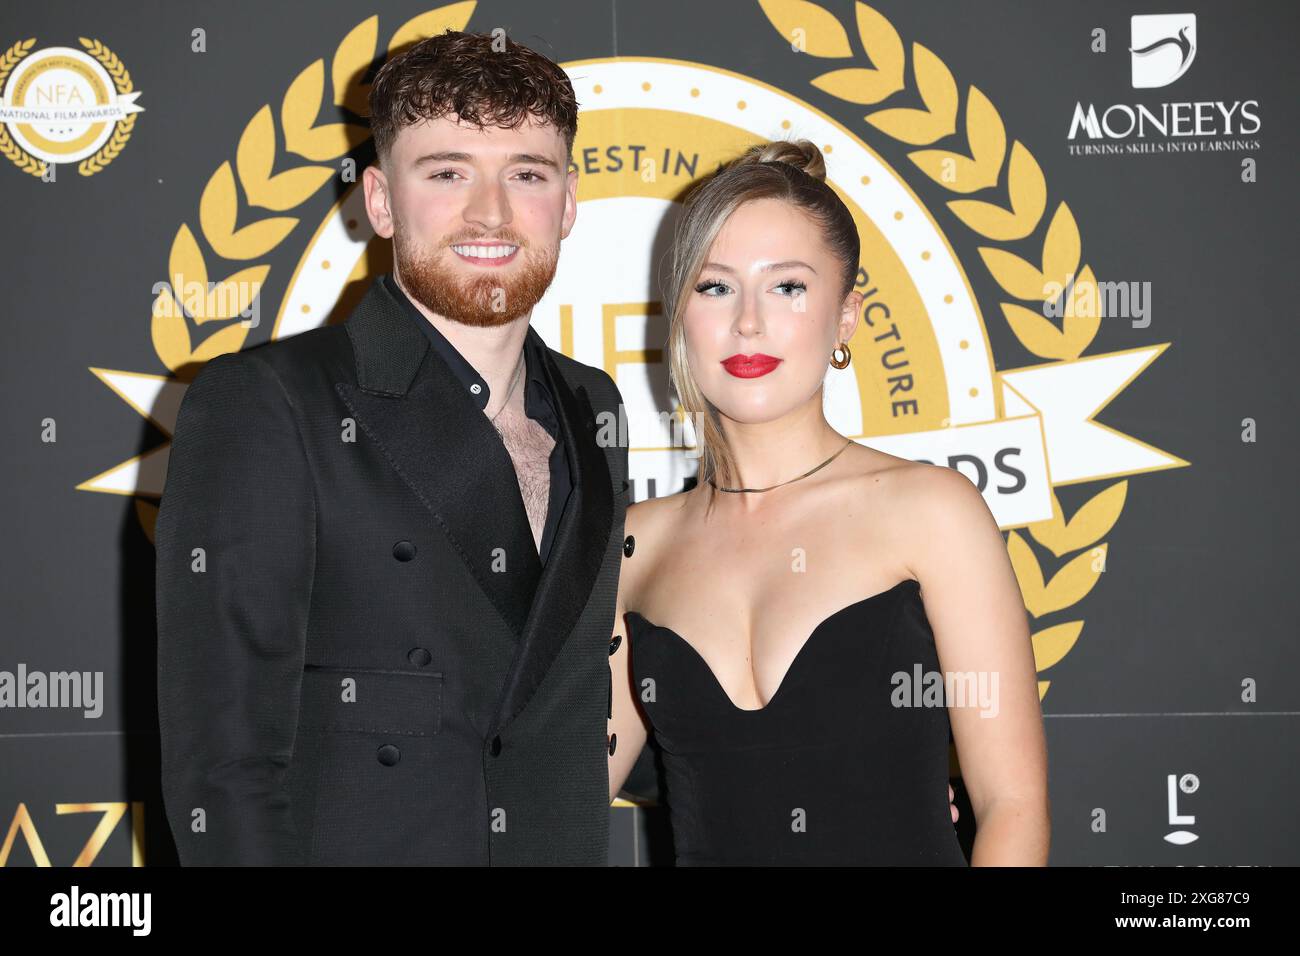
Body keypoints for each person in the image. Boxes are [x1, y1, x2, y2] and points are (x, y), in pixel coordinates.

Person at [155, 30, 628, 865]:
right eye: (447, 173)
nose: (491, 212)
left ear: (568, 201)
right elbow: (225, 767)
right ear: (379, 201)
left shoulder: (595, 407)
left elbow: (567, 701)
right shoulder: (268, 404)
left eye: (527, 174)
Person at [606, 140, 1049, 865]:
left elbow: (1013, 808)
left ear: (845, 318)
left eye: (787, 287)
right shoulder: (634, 546)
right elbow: (558, 792)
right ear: (679, 313)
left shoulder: (930, 512)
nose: (748, 322)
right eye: (715, 287)